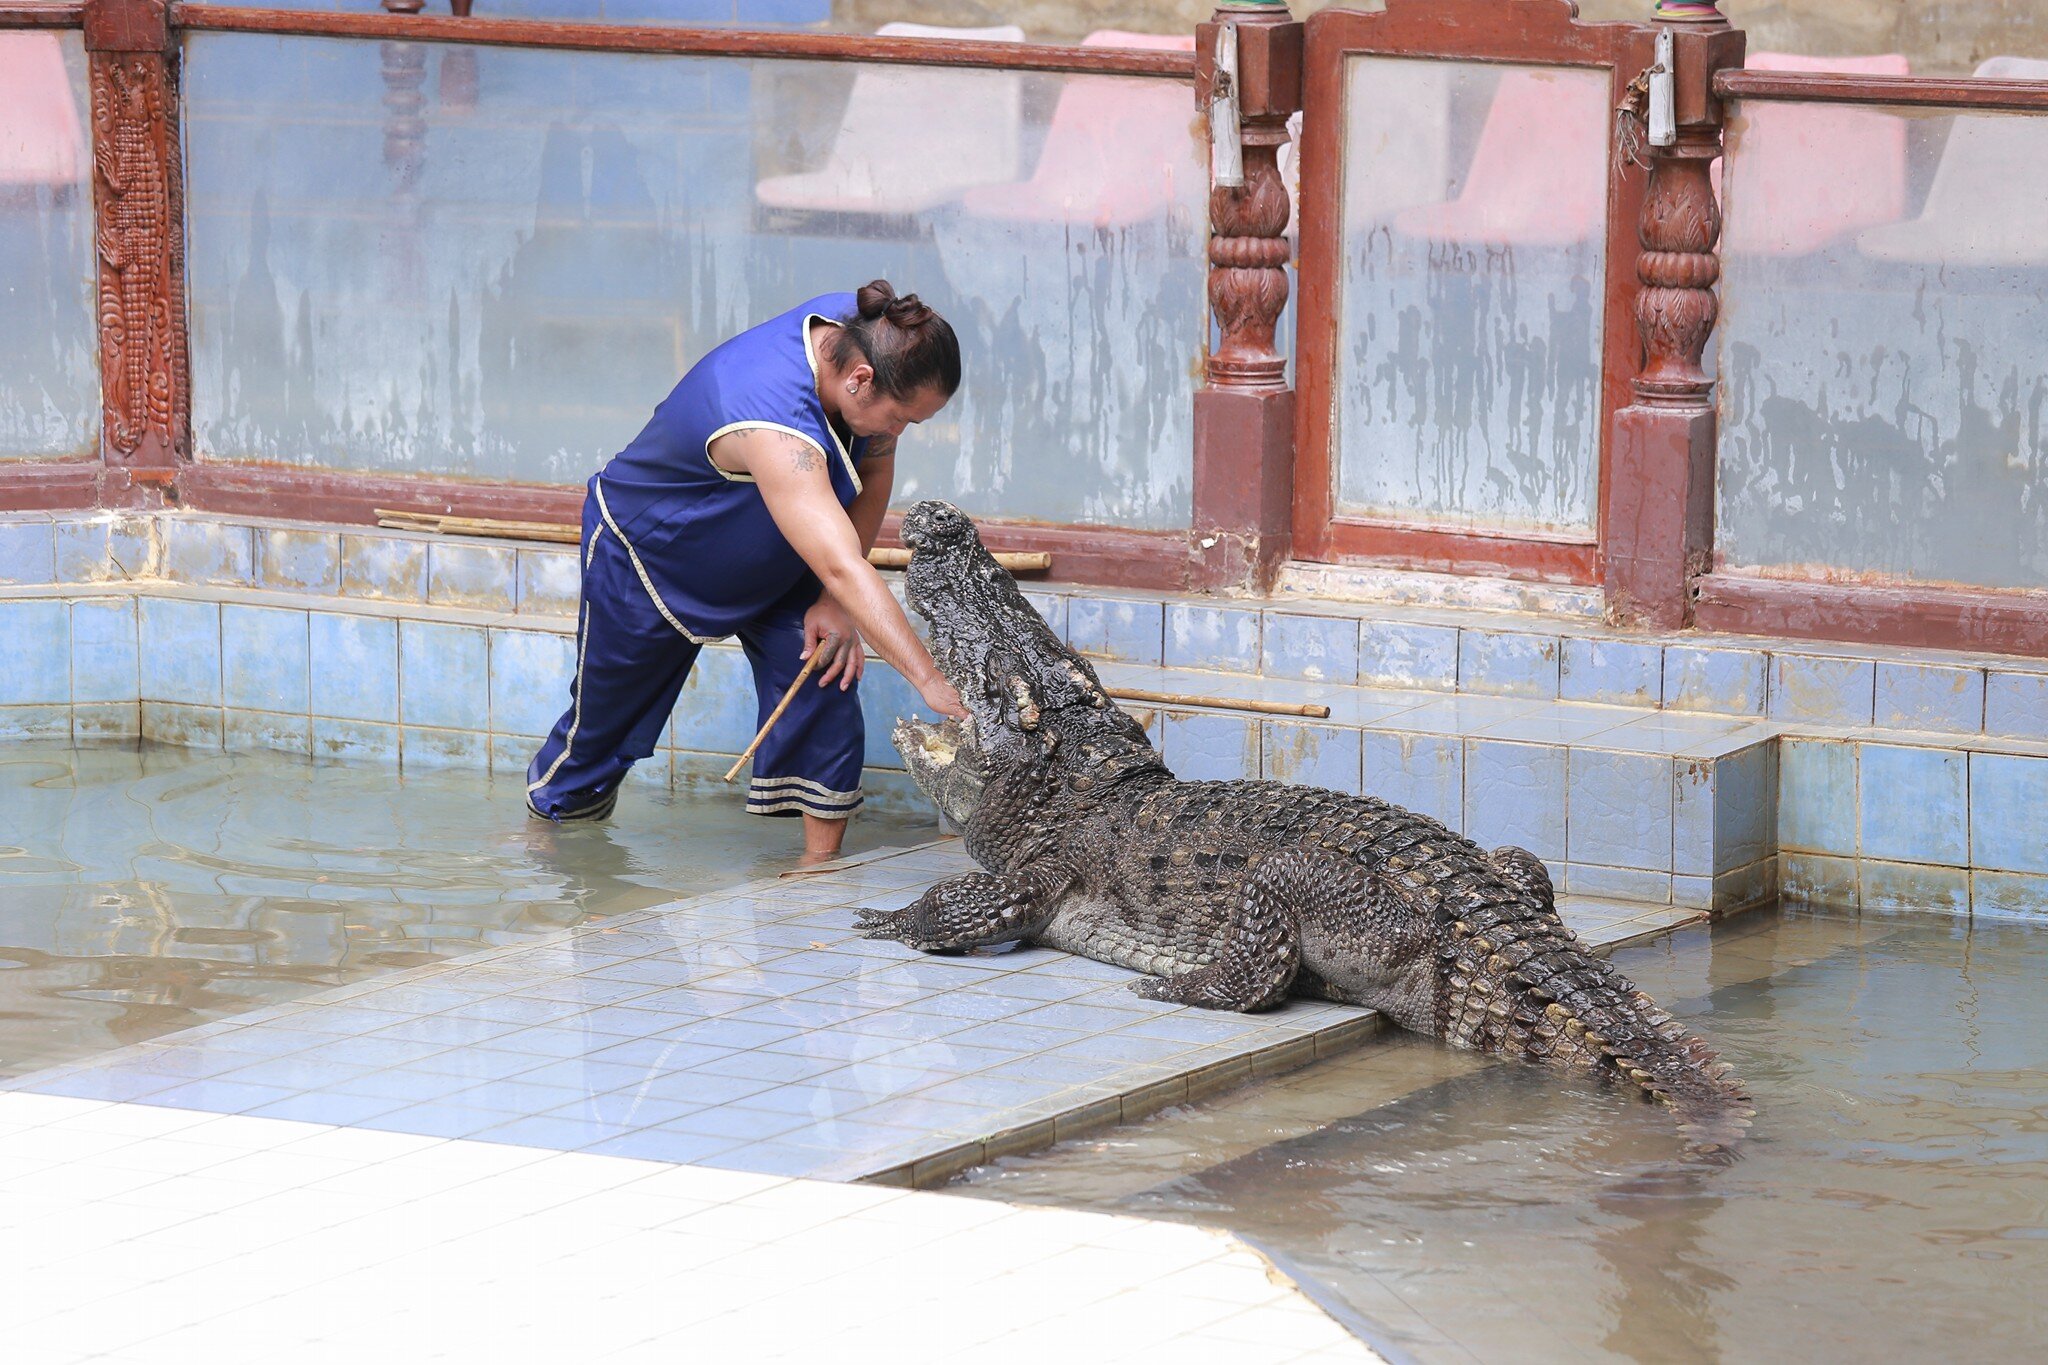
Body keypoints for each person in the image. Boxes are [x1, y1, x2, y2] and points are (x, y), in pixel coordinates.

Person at [526, 280, 971, 861]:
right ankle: (546, 844)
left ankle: (817, 866)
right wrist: (930, 681)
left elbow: (873, 469)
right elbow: (839, 563)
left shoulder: (872, 331)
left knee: (823, 665)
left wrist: (835, 604)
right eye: (900, 418)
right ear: (858, 381)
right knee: (602, 733)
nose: (899, 433)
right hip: (658, 549)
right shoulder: (771, 415)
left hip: (779, 539)